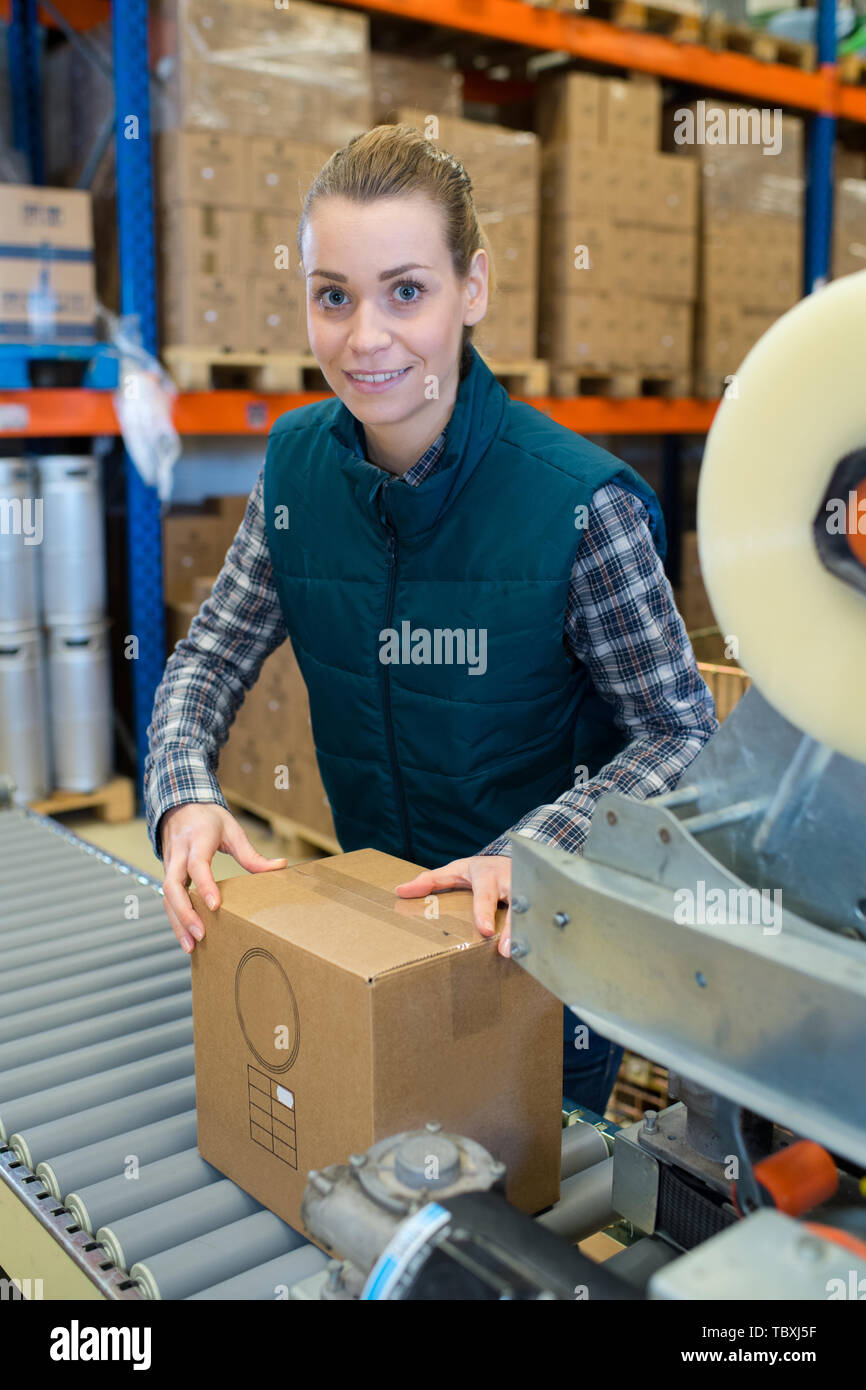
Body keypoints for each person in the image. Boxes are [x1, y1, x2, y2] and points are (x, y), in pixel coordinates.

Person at [145, 122, 718, 1118]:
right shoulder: (294, 471)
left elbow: (679, 731)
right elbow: (208, 656)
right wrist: (182, 794)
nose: (364, 337)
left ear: (473, 290)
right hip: (375, 930)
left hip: (539, 953)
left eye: (404, 290)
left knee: (520, 1221)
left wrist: (531, 850)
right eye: (334, 297)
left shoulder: (581, 503)